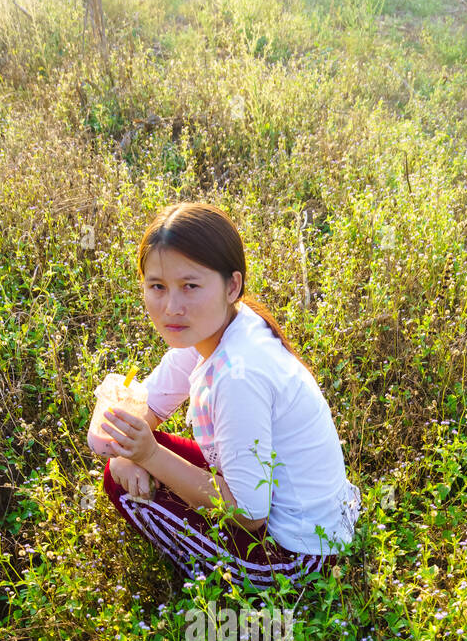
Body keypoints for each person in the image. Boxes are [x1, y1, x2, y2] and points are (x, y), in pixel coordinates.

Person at [93, 200, 361, 592]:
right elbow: (145, 408)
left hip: (298, 558)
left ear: (231, 285)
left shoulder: (239, 375)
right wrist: (128, 451)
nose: (171, 307)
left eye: (190, 286)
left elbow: (251, 515)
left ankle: (213, 590)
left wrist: (145, 456)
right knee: (133, 457)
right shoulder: (220, 325)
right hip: (295, 507)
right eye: (157, 287)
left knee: (122, 482)